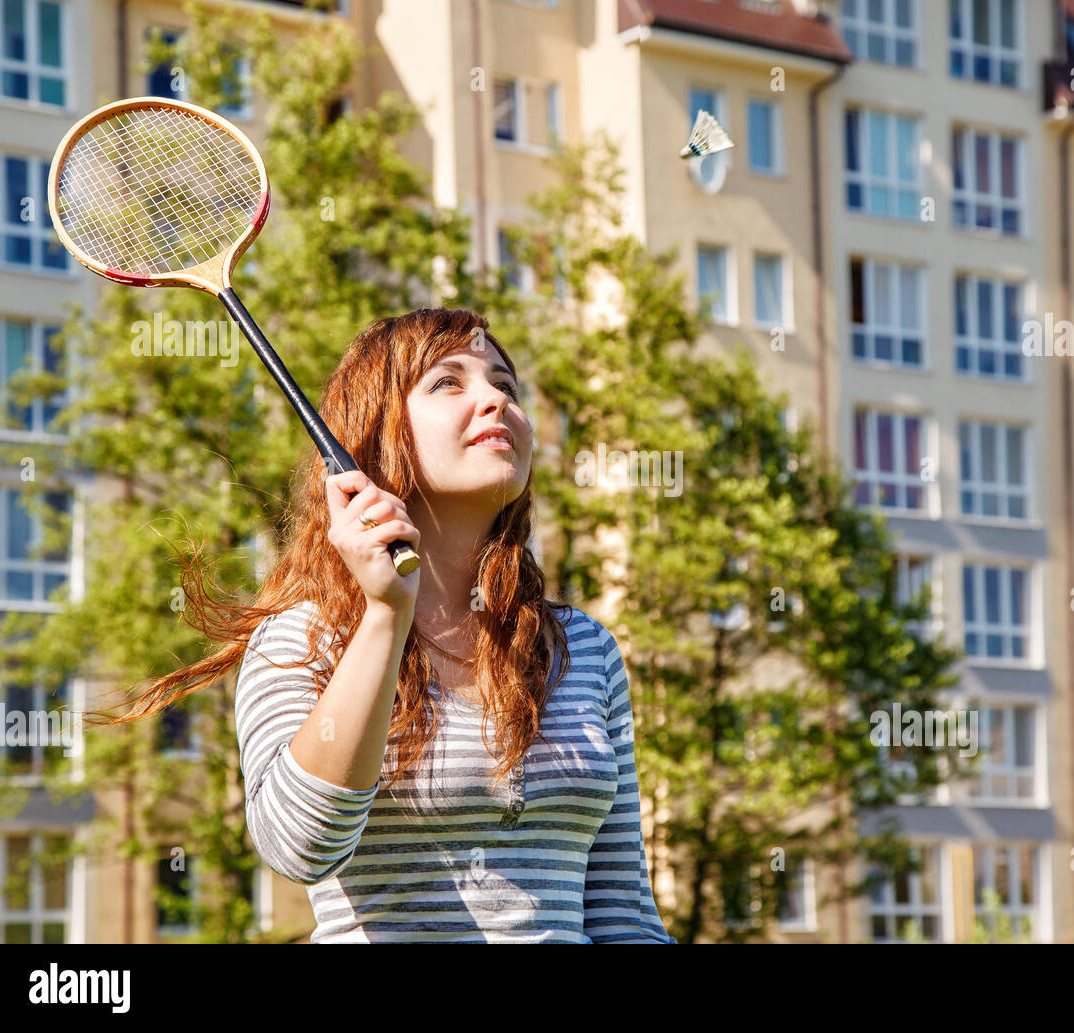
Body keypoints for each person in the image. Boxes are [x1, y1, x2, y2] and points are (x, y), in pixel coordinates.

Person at [120, 308, 674, 943]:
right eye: (448, 382)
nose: (496, 400)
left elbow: (623, 914)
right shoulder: (303, 639)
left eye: (506, 385)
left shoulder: (583, 648)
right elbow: (300, 847)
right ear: (377, 433)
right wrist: (386, 615)